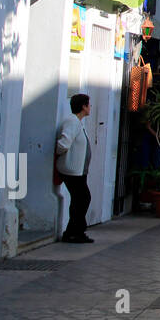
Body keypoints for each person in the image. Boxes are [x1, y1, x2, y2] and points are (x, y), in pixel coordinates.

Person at [56, 94, 94, 243]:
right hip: (72, 170)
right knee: (83, 198)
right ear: (83, 106)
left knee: (81, 199)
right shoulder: (72, 122)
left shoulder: (77, 122)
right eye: (89, 104)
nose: (90, 107)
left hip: (78, 171)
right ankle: (74, 232)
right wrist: (61, 155)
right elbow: (64, 143)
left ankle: (75, 231)